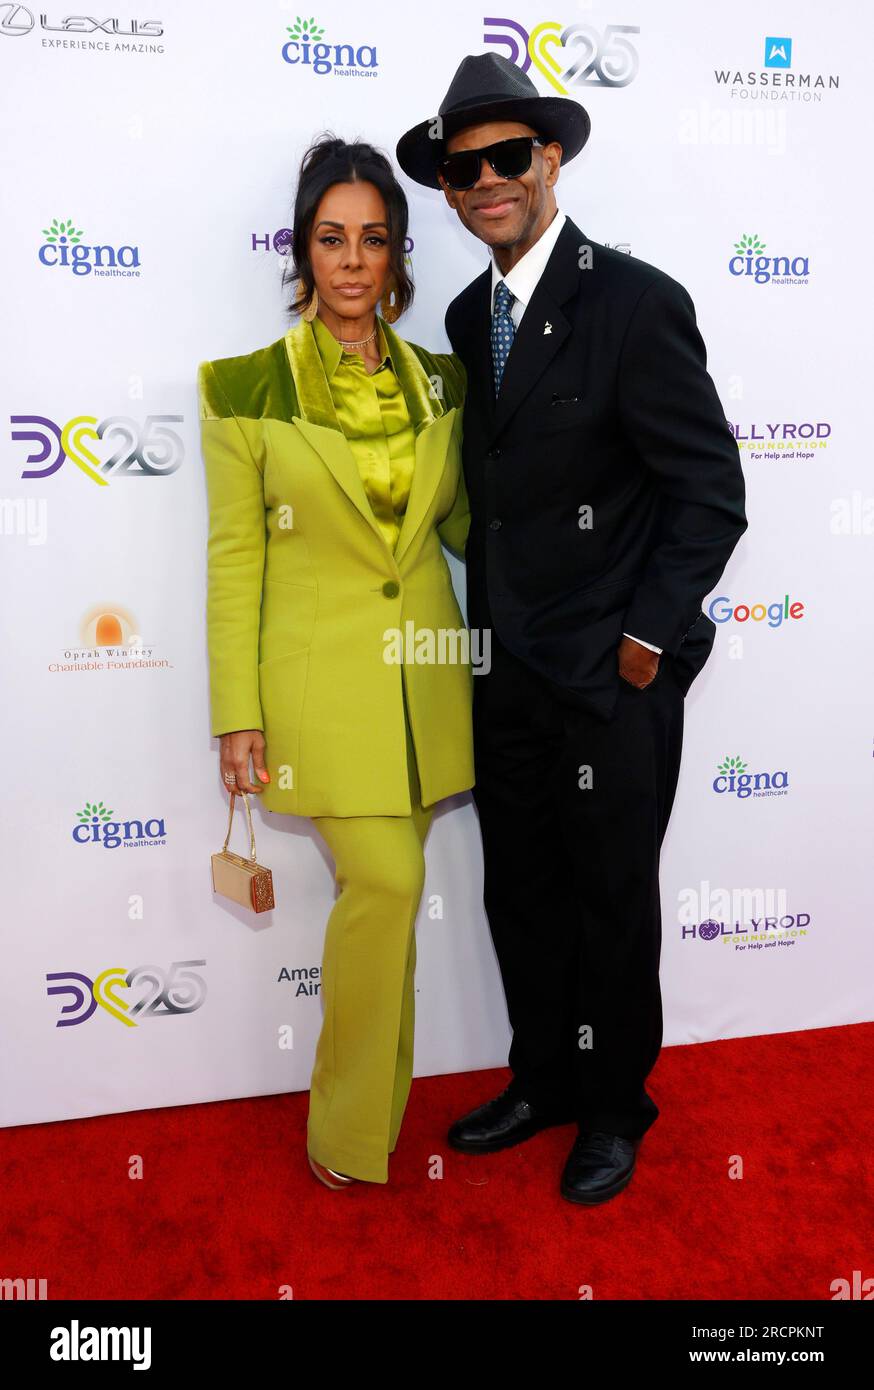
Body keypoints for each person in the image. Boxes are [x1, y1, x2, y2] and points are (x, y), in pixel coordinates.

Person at [396, 54, 747, 1204]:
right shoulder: (463, 314)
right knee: (522, 893)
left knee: (609, 900)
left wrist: (644, 642)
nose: (487, 180)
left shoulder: (635, 301)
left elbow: (707, 492)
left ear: (549, 160)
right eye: (464, 167)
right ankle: (542, 1077)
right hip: (506, 676)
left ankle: (614, 1106)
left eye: (507, 156)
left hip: (609, 679)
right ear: (447, 190)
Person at [197, 135, 473, 1188]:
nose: (352, 260)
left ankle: (378, 1118)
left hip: (425, 687)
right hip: (318, 695)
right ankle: (344, 1135)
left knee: (388, 906)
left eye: (372, 238)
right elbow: (234, 564)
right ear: (303, 250)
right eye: (330, 238)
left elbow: (456, 529)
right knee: (390, 882)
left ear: (398, 252)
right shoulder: (244, 386)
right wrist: (236, 714)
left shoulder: (439, 381)